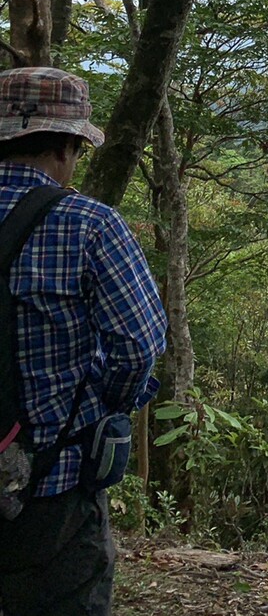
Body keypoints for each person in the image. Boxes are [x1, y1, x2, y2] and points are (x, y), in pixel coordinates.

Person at [0, 67, 166, 616]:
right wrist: (102, 407)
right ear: (69, 145)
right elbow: (139, 344)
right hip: (52, 484)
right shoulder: (88, 223)